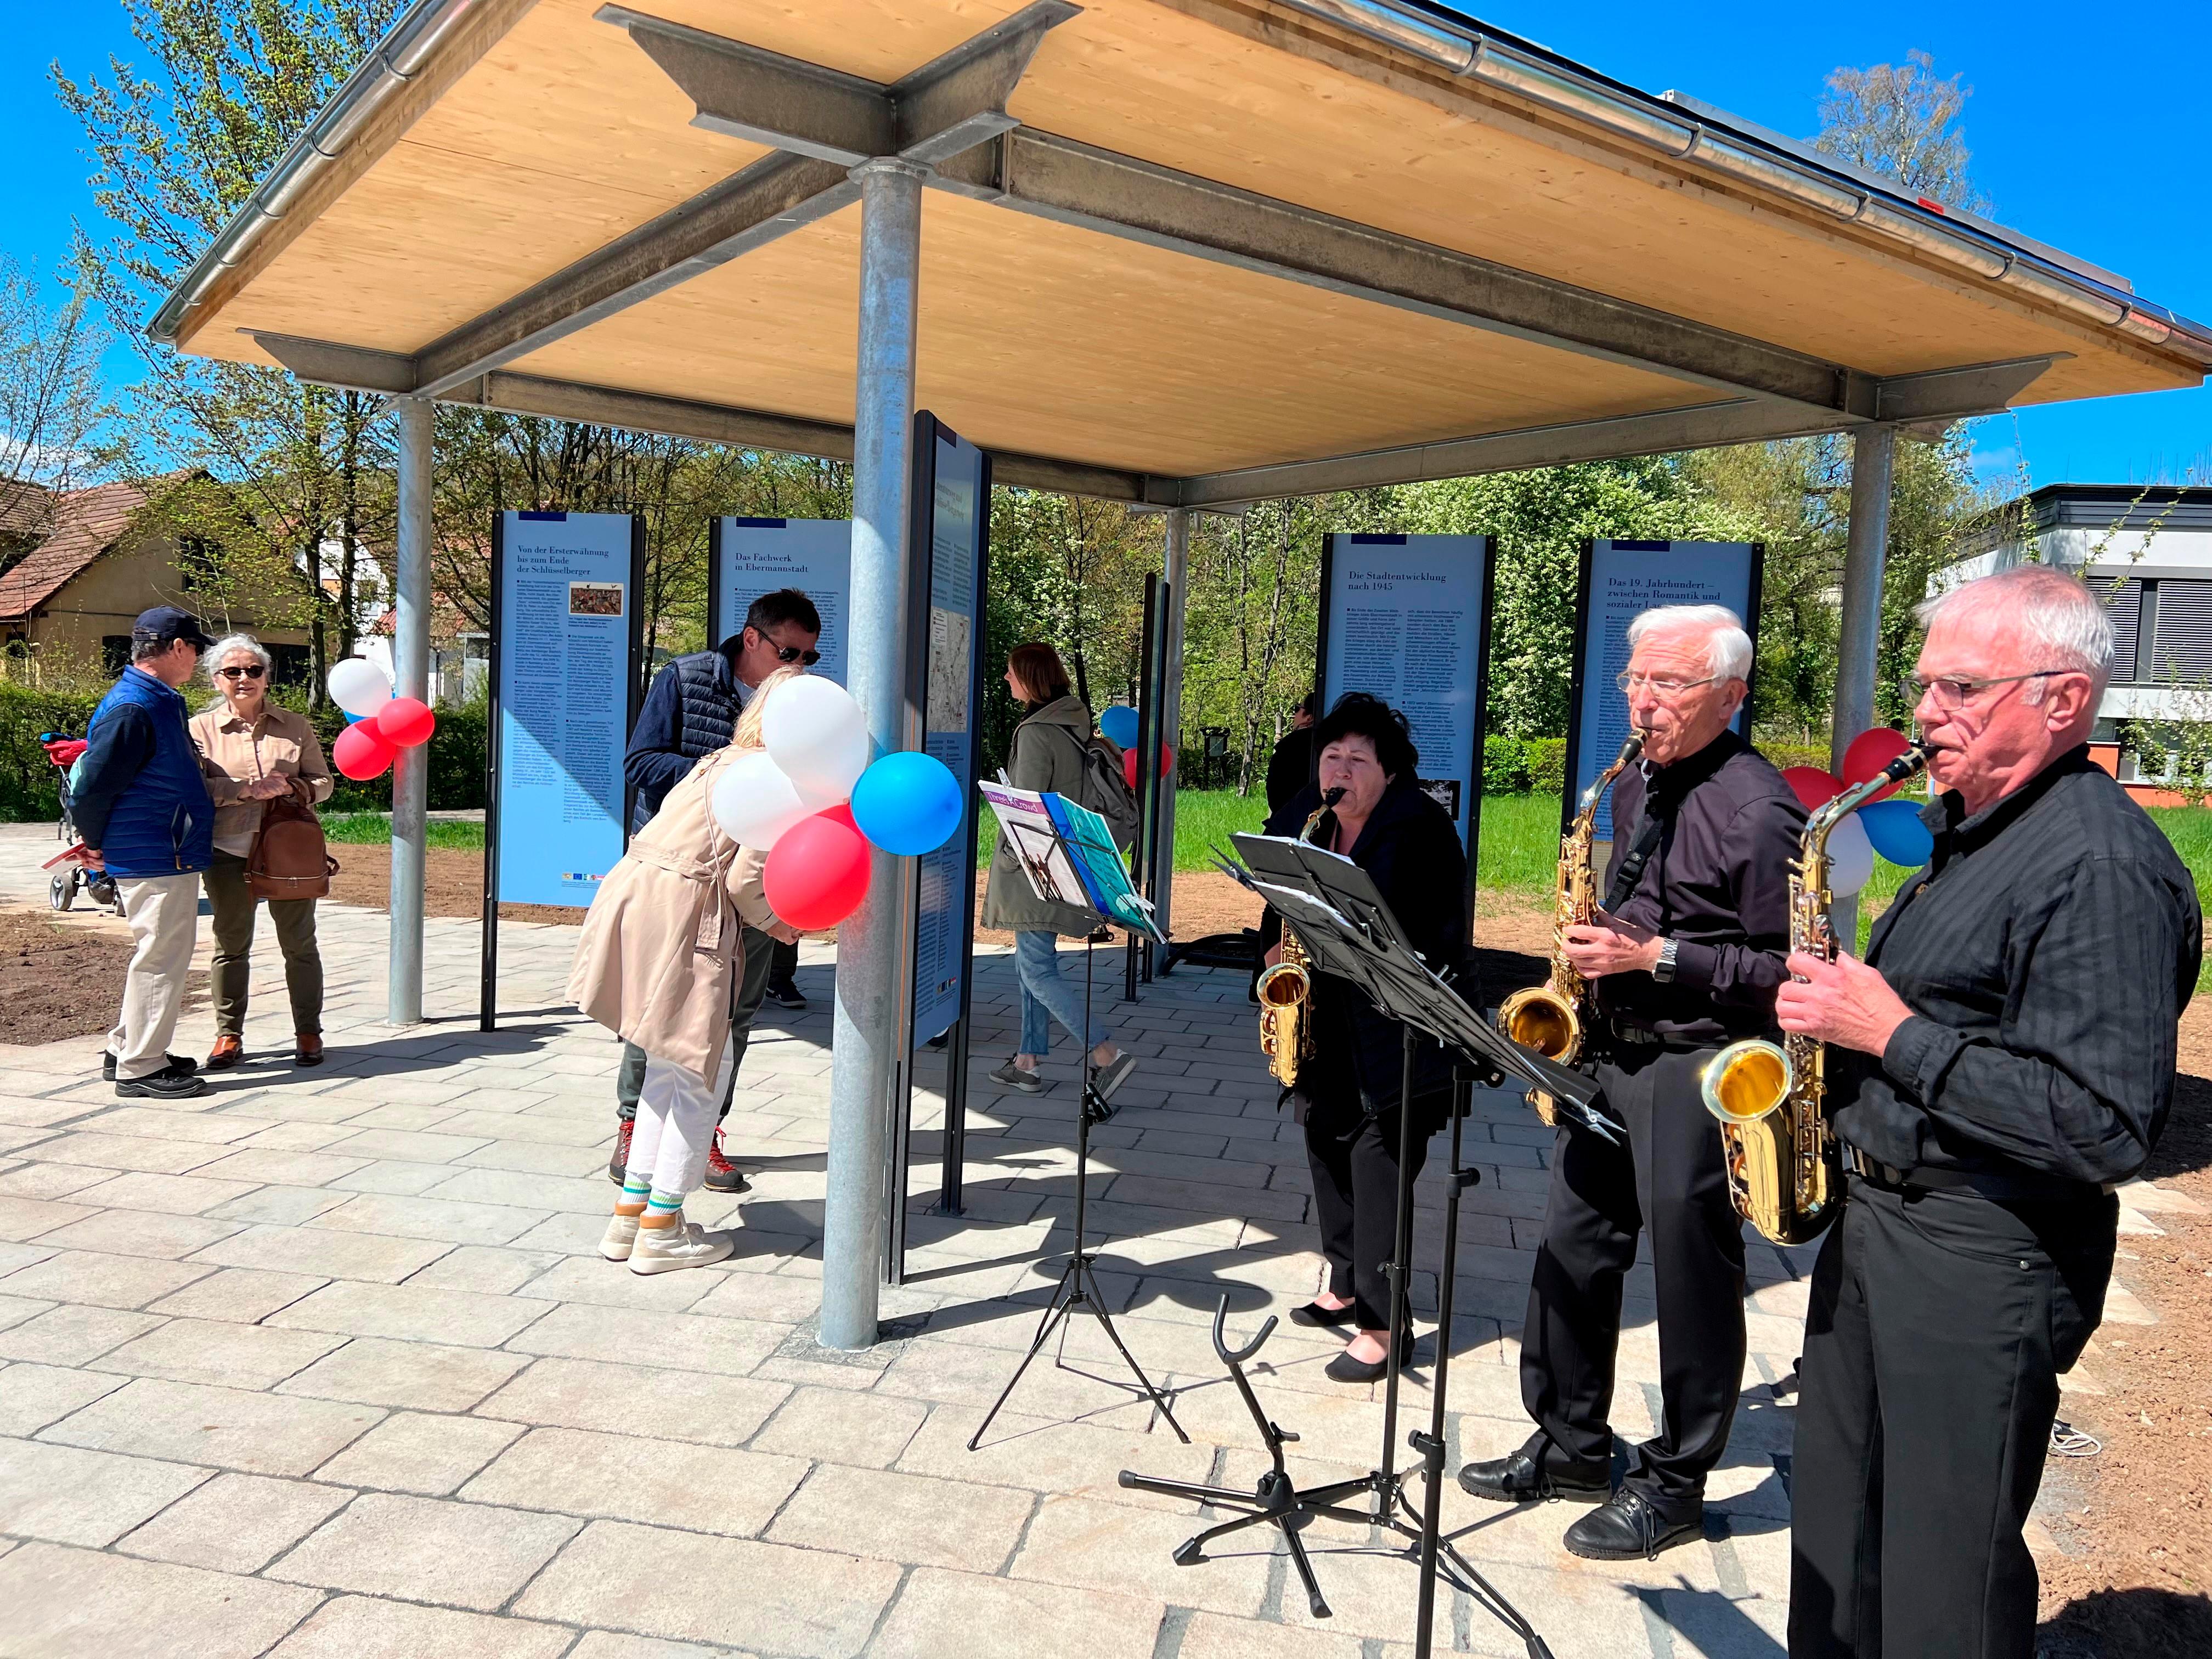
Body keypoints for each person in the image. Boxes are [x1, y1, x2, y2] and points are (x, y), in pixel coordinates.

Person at [1778, 567, 2198, 1659]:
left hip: (1985, 1255)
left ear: (2061, 699)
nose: (1925, 714)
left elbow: (2104, 1122)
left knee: (1940, 1587)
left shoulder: (2100, 866)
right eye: (1926, 686)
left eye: (1961, 688)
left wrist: (1892, 1035)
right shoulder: (1971, 828)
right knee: (1839, 1539)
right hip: (1885, 1229)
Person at [1459, 603, 1805, 1560]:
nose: (1641, 702)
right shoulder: (1634, 783)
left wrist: (1656, 956)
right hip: (1610, 1049)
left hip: (1698, 1062)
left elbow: (1787, 973)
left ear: (1728, 695)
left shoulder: (1760, 807)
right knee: (1573, 1246)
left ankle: (1678, 1478)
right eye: (1633, 681)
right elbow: (1635, 898)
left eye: (1666, 684)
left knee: (1694, 1275)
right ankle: (1571, 1440)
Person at [1261, 692, 1468, 1384]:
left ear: (1389, 770)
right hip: (1327, 1023)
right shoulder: (1311, 815)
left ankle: (1385, 1327)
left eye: (1357, 758)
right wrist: (1271, 949)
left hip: (1398, 1032)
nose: (1340, 770)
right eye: (1331, 756)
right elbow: (1274, 892)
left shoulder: (1417, 829)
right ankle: (1345, 1281)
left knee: (1380, 1169)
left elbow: (1421, 936)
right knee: (1325, 1140)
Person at [572, 668, 806, 1273]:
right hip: (687, 918)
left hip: (639, 899)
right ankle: (663, 1231)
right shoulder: (775, 781)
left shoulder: (720, 759)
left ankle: (634, 1219)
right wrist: (784, 927)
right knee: (704, 1073)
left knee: (666, 1070)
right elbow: (747, 882)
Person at [608, 588, 822, 1188]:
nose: (799, 666)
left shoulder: (800, 698)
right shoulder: (684, 678)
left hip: (755, 878)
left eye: (809, 656)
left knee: (737, 1013)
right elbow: (640, 763)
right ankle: (635, 1129)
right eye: (789, 652)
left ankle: (702, 1136)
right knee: (661, 1011)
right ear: (751, 638)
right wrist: (724, 779)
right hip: (688, 881)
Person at [72, 607, 220, 1099]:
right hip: (155, 851)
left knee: (158, 954)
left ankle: (126, 1047)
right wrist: (93, 843)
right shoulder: (137, 706)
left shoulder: (155, 701)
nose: (198, 659)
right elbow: (92, 787)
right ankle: (142, 1068)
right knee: (160, 958)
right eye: (196, 649)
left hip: (160, 848)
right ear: (177, 648)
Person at [980, 642, 1139, 1100]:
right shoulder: (1073, 724)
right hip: (1061, 861)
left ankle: (1106, 1052)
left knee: (1036, 969)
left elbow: (1026, 804)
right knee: (1031, 963)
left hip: (1034, 868)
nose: (1006, 680)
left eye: (1011, 673)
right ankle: (1027, 1063)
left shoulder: (1035, 733)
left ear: (1029, 678)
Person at [188, 634, 334, 1069]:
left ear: (267, 676)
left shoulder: (296, 726)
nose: (244, 678)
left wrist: (297, 787)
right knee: (231, 945)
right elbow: (193, 789)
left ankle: (308, 1032)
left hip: (288, 851)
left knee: (300, 945)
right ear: (217, 681)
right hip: (226, 851)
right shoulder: (198, 730)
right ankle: (228, 1035)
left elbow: (324, 782)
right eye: (233, 672)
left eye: (254, 670)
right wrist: (244, 790)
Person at [1265, 692, 1318, 813]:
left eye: (1297, 709)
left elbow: (1275, 791)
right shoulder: (1330, 743)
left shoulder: (1289, 746)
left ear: (1309, 716)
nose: (1295, 714)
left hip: (1288, 820)